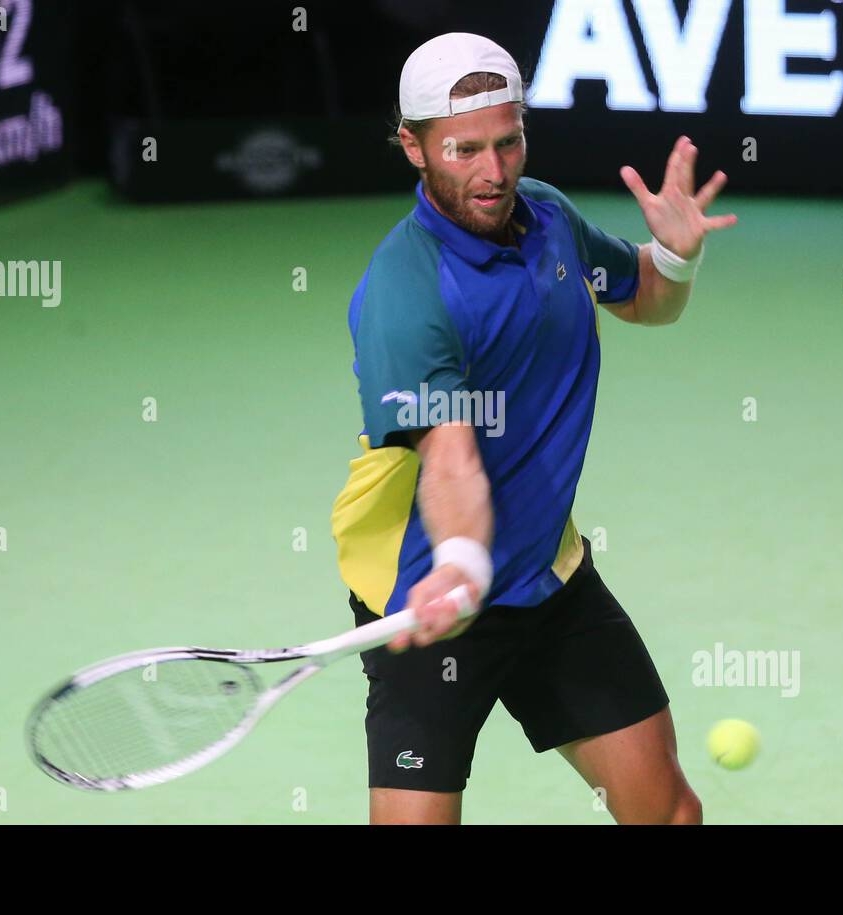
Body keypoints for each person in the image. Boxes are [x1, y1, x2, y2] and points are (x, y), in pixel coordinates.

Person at [330, 32, 737, 825]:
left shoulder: (546, 215)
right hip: (430, 603)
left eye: (508, 141)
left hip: (551, 583)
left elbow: (641, 296)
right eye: (465, 150)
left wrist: (677, 258)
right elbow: (450, 457)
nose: (493, 172)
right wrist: (456, 562)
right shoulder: (404, 293)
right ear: (413, 147)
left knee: (670, 815)